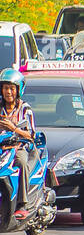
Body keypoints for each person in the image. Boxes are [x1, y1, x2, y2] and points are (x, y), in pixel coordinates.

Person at [0, 68, 38, 219]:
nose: (8, 92)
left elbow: (32, 135)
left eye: (11, 88)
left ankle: (22, 204)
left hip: (17, 148)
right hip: (2, 149)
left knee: (22, 163)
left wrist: (14, 128)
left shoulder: (25, 109)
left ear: (18, 89)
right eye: (5, 88)